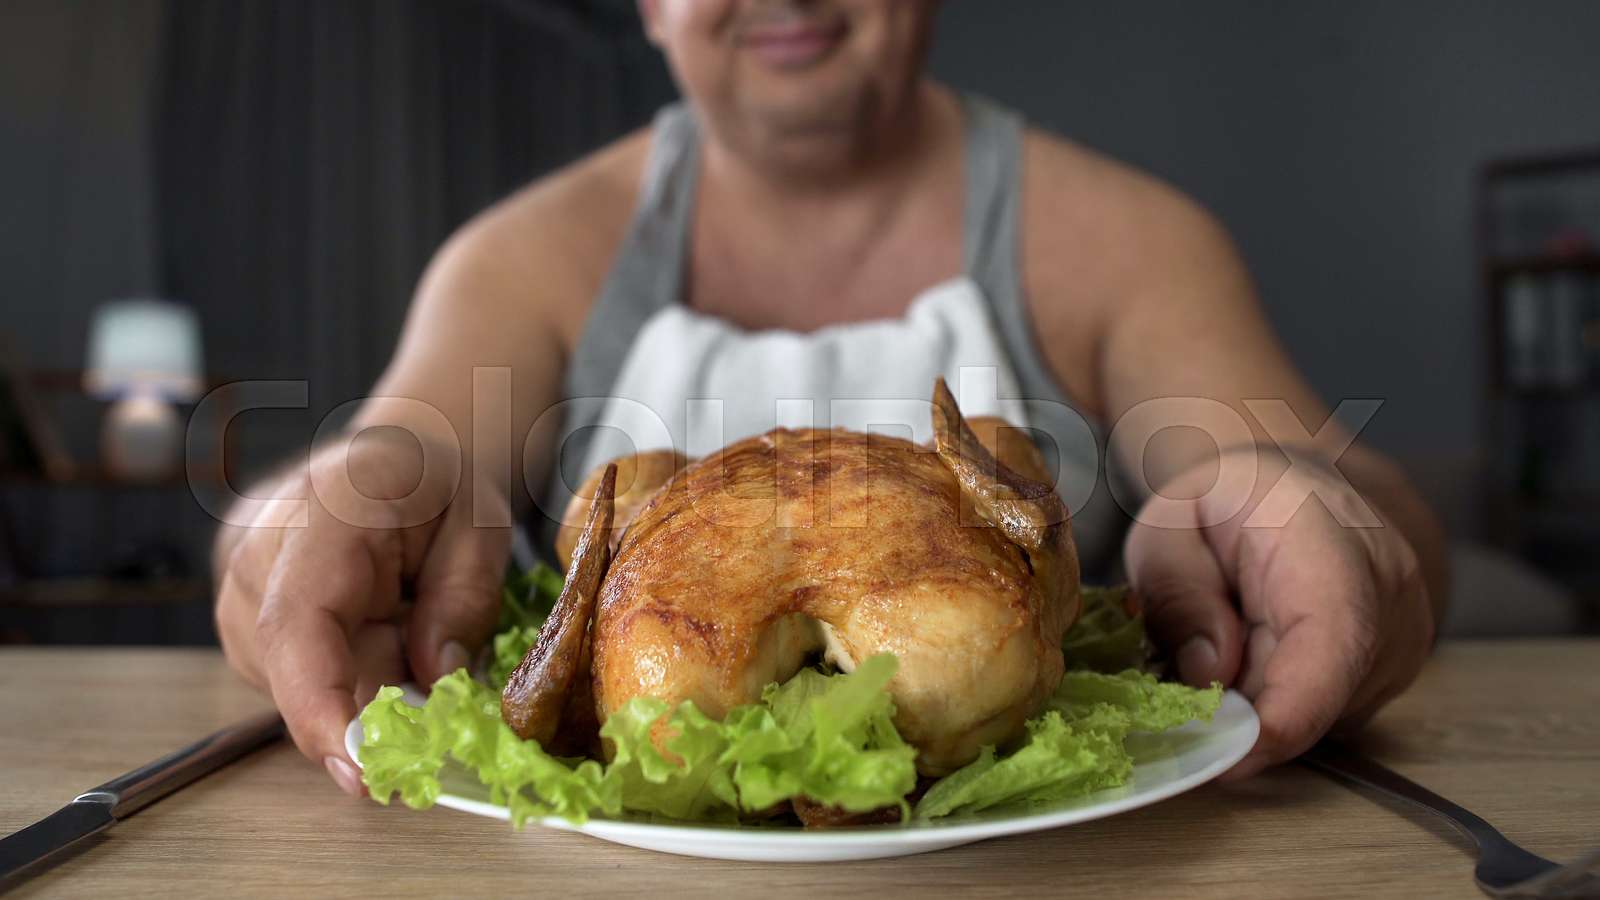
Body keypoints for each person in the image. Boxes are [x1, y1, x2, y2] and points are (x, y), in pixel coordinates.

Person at [212, 0, 1446, 799]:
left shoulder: (1120, 238)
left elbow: (1341, 486)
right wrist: (293, 518)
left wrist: (1305, 502)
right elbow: (376, 472)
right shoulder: (526, 256)